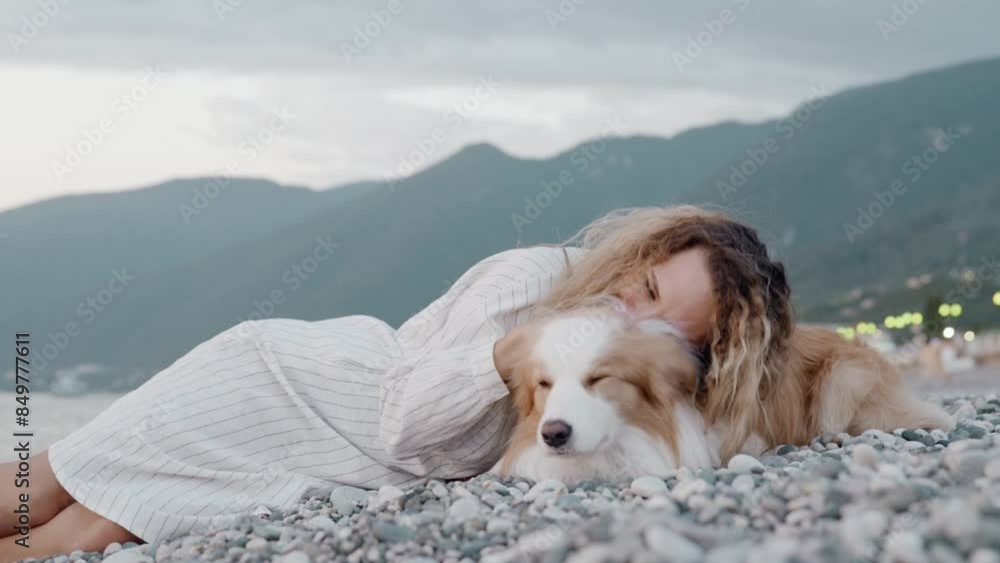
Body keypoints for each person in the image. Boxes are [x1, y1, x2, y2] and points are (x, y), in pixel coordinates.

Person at [0, 205, 792, 560]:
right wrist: (502, 356)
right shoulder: (536, 279)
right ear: (644, 250)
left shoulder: (621, 380)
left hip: (334, 462)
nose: (629, 312)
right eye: (646, 287)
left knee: (96, 531)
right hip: (290, 386)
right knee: (49, 487)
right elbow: (404, 420)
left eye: (665, 326)